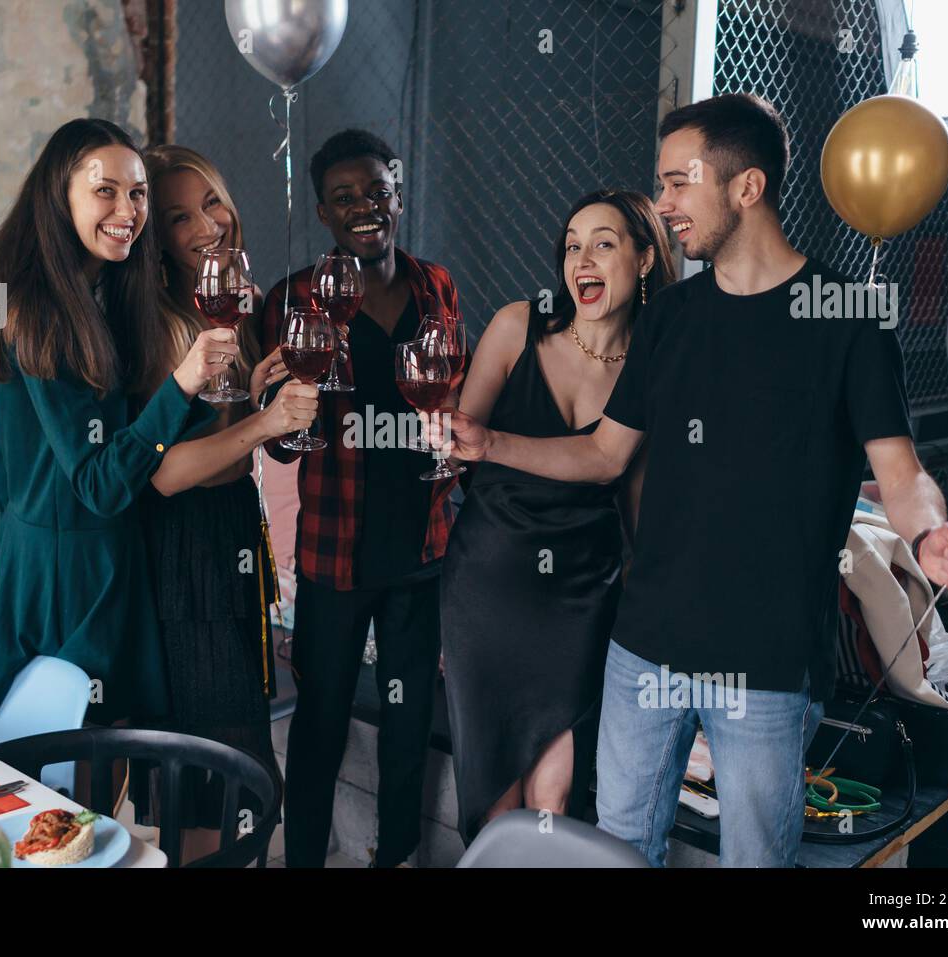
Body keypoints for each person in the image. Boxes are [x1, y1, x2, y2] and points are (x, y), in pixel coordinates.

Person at [439, 94, 948, 866]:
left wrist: (931, 534)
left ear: (746, 187)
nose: (662, 205)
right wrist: (490, 440)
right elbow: (602, 454)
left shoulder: (848, 320)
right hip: (642, 651)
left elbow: (900, 475)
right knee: (621, 852)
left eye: (677, 182)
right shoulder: (669, 317)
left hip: (766, 665)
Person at [0, 119, 236, 728]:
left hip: (101, 553)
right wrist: (184, 382)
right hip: (63, 567)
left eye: (138, 193)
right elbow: (100, 483)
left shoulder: (105, 288)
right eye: (106, 190)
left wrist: (234, 394)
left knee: (103, 769)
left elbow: (124, 432)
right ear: (60, 195)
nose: (127, 210)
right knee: (65, 777)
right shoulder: (37, 309)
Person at [441, 189, 675, 844]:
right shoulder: (520, 324)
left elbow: (622, 480)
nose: (583, 259)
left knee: (557, 793)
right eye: (572, 244)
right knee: (497, 794)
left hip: (579, 593)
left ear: (646, 257)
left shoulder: (652, 360)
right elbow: (463, 442)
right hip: (488, 581)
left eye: (604, 242)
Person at [260, 129, 461, 868]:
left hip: (420, 550)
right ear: (322, 211)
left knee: (408, 727)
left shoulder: (435, 284)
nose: (364, 206)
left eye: (377, 190)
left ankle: (396, 855)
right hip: (335, 558)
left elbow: (452, 395)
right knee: (320, 723)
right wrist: (285, 407)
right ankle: (306, 858)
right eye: (345, 197)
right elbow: (279, 441)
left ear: (398, 194)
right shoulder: (294, 299)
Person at [127, 146, 319, 862]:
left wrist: (266, 392)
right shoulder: (159, 321)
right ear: (156, 240)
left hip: (231, 543)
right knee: (223, 777)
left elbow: (233, 449)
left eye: (211, 200)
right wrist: (264, 422)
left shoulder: (239, 300)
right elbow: (166, 474)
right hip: (186, 554)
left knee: (235, 767)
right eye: (178, 217)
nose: (207, 223)